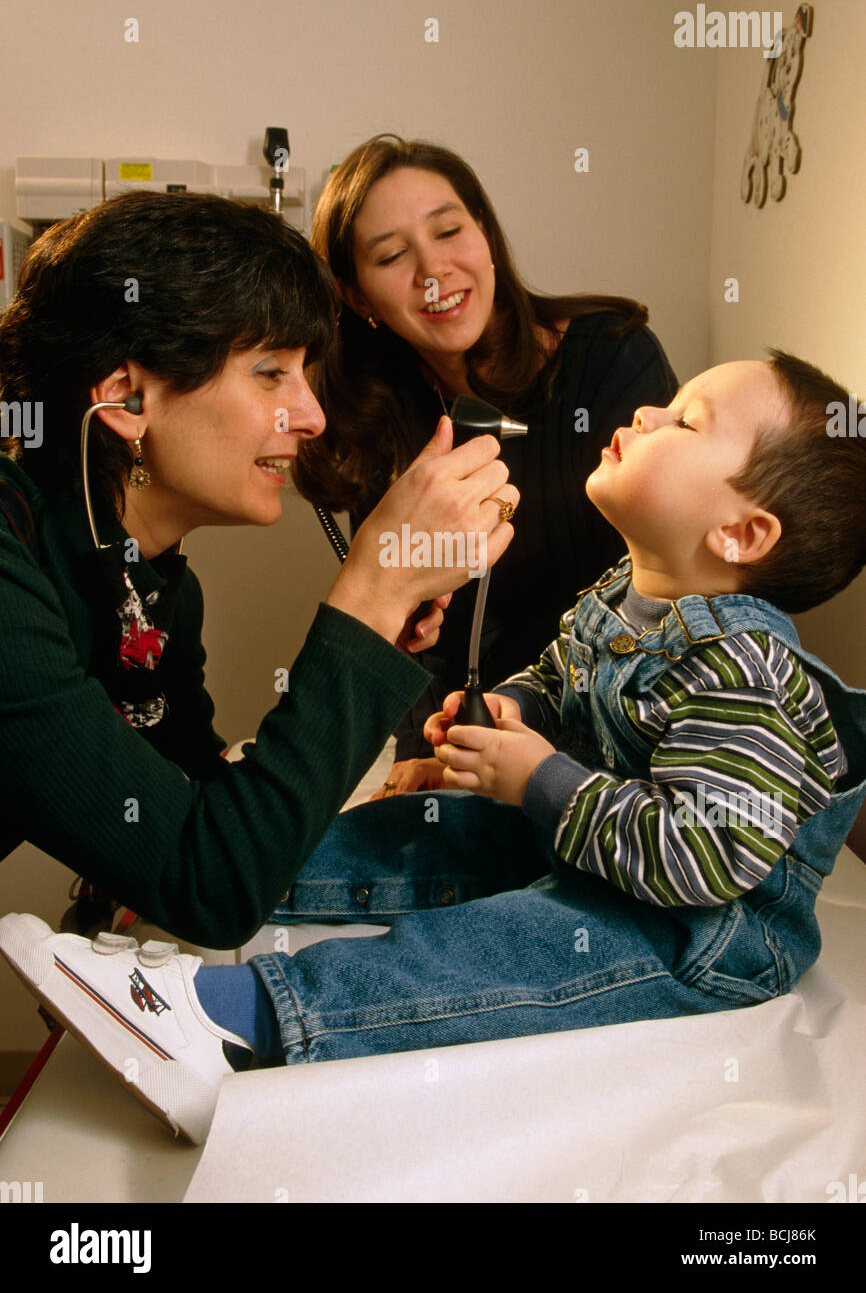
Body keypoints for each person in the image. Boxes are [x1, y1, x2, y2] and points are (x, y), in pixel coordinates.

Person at [5, 349, 865, 1144]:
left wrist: (543, 779)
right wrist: (507, 711)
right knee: (429, 824)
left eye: (685, 421)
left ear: (742, 535)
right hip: (598, 843)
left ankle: (232, 1017)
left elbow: (703, 858)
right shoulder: (627, 596)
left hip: (701, 928)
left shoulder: (747, 671)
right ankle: (203, 889)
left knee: (518, 937)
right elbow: (562, 680)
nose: (645, 411)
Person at [0, 190, 519, 947]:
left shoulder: (157, 589)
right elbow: (210, 885)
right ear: (126, 398)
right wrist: (368, 595)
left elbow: (219, 820)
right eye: (271, 371)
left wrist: (378, 640)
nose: (310, 416)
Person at [292, 134, 678, 797]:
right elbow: (416, 631)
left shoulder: (613, 359)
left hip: (626, 729)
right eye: (391, 255)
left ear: (487, 235)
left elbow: (674, 580)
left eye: (448, 231)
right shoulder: (381, 421)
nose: (433, 270)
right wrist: (427, 750)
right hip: (471, 738)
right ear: (357, 298)